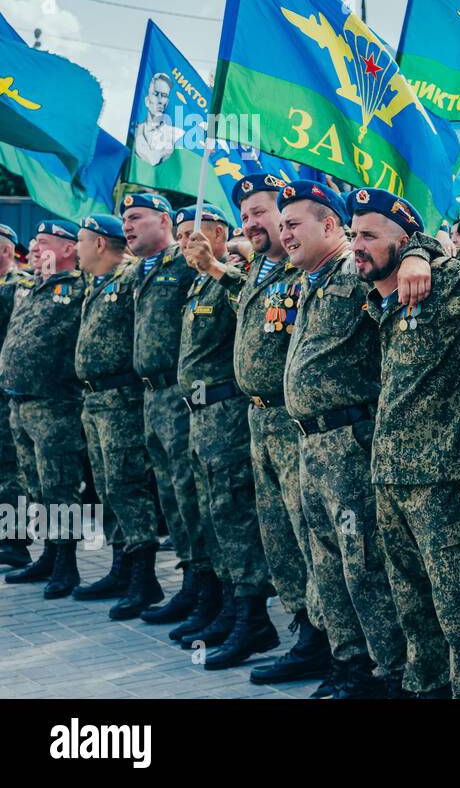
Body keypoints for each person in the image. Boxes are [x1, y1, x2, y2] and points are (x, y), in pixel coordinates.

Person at [184, 173, 331, 686]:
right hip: (258, 419)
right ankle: (296, 626)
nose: (253, 223)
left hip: (293, 423)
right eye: (245, 215)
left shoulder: (305, 271)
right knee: (278, 535)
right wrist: (218, 268)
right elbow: (243, 296)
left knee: (307, 533)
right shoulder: (263, 273)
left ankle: (324, 637)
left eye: (262, 213)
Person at [350, 187, 460, 699]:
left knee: (457, 601)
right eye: (353, 234)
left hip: (437, 477)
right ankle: (424, 686)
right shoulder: (376, 296)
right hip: (388, 472)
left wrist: (420, 251)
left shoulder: (445, 282)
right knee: (411, 601)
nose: (357, 245)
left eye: (369, 235)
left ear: (404, 238)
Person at [278, 179, 408, 698]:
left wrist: (417, 253)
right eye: (281, 225)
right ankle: (348, 661)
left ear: (329, 225)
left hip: (350, 439)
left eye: (294, 224)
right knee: (327, 562)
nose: (284, 234)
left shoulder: (355, 271)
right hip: (310, 445)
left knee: (364, 563)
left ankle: (388, 672)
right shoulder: (310, 280)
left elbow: (423, 252)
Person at [176, 205, 278, 669]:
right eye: (179, 236)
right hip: (200, 415)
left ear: (218, 233)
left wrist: (220, 263)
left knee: (234, 513)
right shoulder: (200, 280)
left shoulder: (234, 274)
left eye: (192, 234)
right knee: (213, 512)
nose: (185, 243)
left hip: (226, 413)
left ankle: (253, 617)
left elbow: (254, 301)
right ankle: (229, 606)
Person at [121, 193, 212, 633]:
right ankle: (190, 577)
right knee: (170, 495)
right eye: (124, 220)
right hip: (151, 395)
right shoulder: (142, 271)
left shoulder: (183, 264)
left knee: (189, 489)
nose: (127, 226)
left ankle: (206, 584)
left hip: (181, 393)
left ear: (163, 220)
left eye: (136, 217)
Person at [71, 216, 162, 619]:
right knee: (108, 487)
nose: (77, 248)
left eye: (81, 240)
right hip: (96, 401)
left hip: (122, 398)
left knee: (128, 484)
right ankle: (120, 565)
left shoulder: (130, 277)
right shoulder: (99, 284)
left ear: (100, 245)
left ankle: (143, 578)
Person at [0, 220, 89, 597]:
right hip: (22, 404)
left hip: (57, 405)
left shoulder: (81, 288)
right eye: (34, 243)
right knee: (36, 487)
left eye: (45, 242)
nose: (35, 249)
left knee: (60, 487)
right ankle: (49, 555)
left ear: (70, 248)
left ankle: (67, 565)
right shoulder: (32, 288)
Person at [0, 223, 34, 569]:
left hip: (8, 394)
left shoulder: (19, 286)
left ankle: (14, 540)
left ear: (8, 250)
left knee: (10, 470)